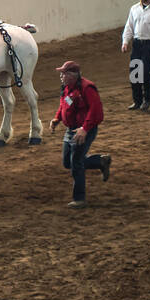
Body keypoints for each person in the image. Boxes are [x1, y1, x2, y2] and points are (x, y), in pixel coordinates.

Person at [49, 60, 110, 208]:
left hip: (83, 131)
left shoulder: (87, 88)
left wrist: (85, 128)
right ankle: (100, 161)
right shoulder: (67, 87)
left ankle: (79, 198)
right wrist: (58, 117)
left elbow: (96, 111)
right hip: (71, 130)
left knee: (76, 163)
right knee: (67, 162)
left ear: (73, 75)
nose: (61, 76)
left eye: (64, 73)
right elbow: (63, 104)